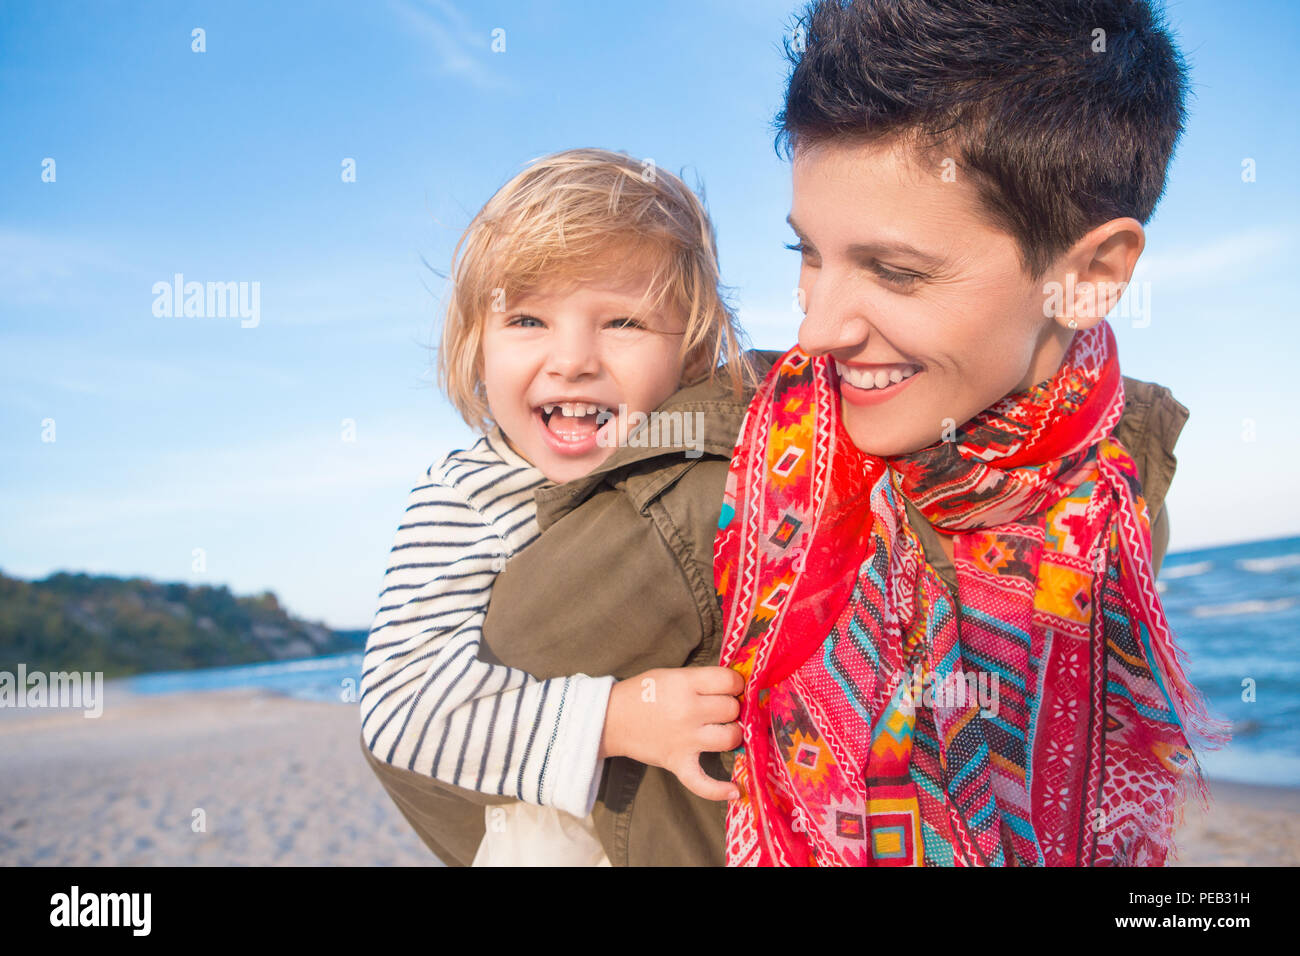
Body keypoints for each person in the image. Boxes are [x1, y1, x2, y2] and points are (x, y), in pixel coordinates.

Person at [713, 0, 1230, 866]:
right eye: (807, 252)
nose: (816, 331)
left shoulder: (1118, 478)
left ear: (1092, 276)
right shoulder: (717, 467)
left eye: (896, 271)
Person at [358, 148, 754, 864]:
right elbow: (400, 709)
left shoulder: (706, 456)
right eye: (529, 321)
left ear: (694, 356)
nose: (572, 359)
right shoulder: (466, 497)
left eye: (623, 324)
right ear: (476, 349)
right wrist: (617, 720)